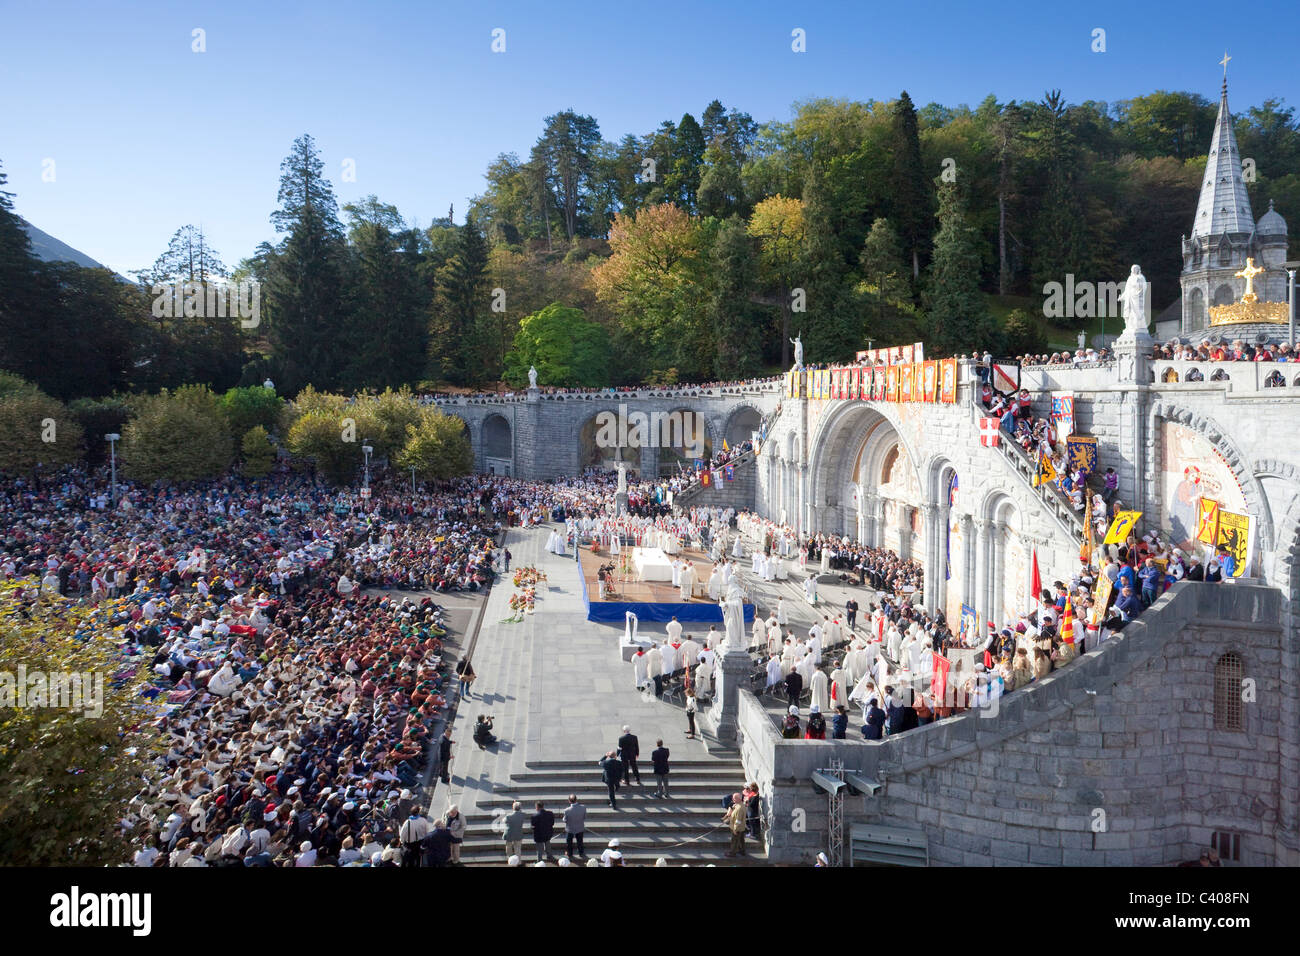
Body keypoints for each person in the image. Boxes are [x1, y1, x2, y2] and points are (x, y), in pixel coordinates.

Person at [724, 793, 748, 858]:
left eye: (734, 798)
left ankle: (732, 853)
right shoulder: (740, 805)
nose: (732, 799)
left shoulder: (739, 808)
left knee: (734, 840)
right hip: (742, 827)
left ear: (739, 799)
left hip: (737, 828)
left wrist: (735, 829)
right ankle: (742, 851)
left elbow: (738, 820)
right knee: (741, 839)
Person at [563, 795, 586, 859]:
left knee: (569, 842)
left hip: (570, 829)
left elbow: (565, 820)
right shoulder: (583, 807)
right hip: (580, 827)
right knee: (580, 841)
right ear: (576, 800)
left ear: (569, 801)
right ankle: (581, 853)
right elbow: (584, 817)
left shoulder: (566, 810)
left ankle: (570, 853)